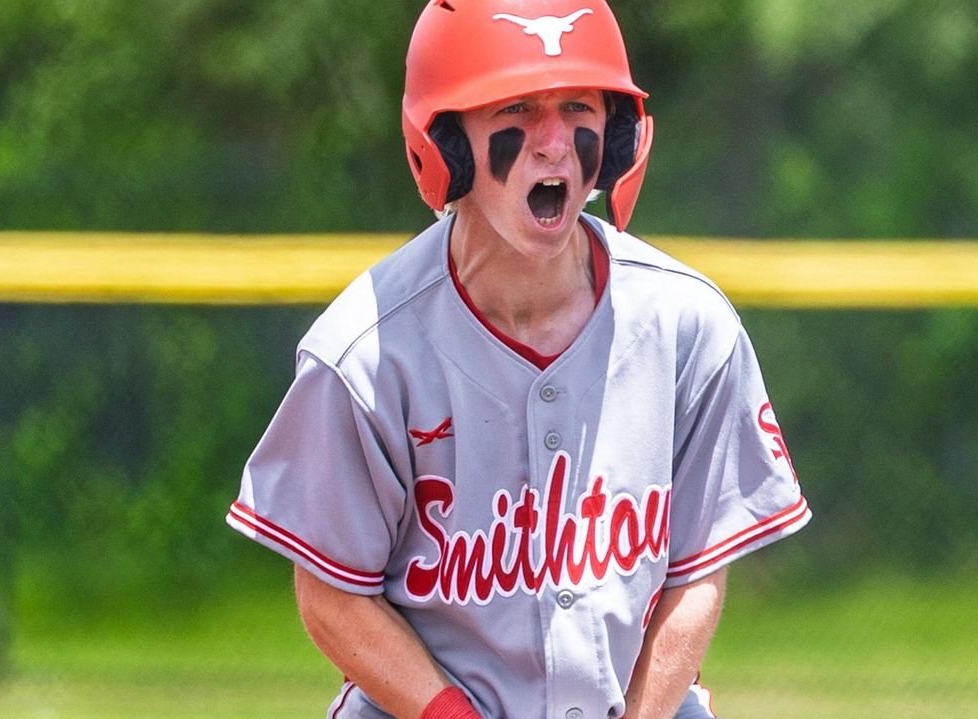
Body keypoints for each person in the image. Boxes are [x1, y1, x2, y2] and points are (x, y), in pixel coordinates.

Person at [227, 2, 811, 717]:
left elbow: (696, 575)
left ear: (621, 136)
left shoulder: (686, 326)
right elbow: (332, 595)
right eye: (517, 106)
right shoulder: (367, 349)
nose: (554, 142)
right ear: (445, 144)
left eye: (576, 106)